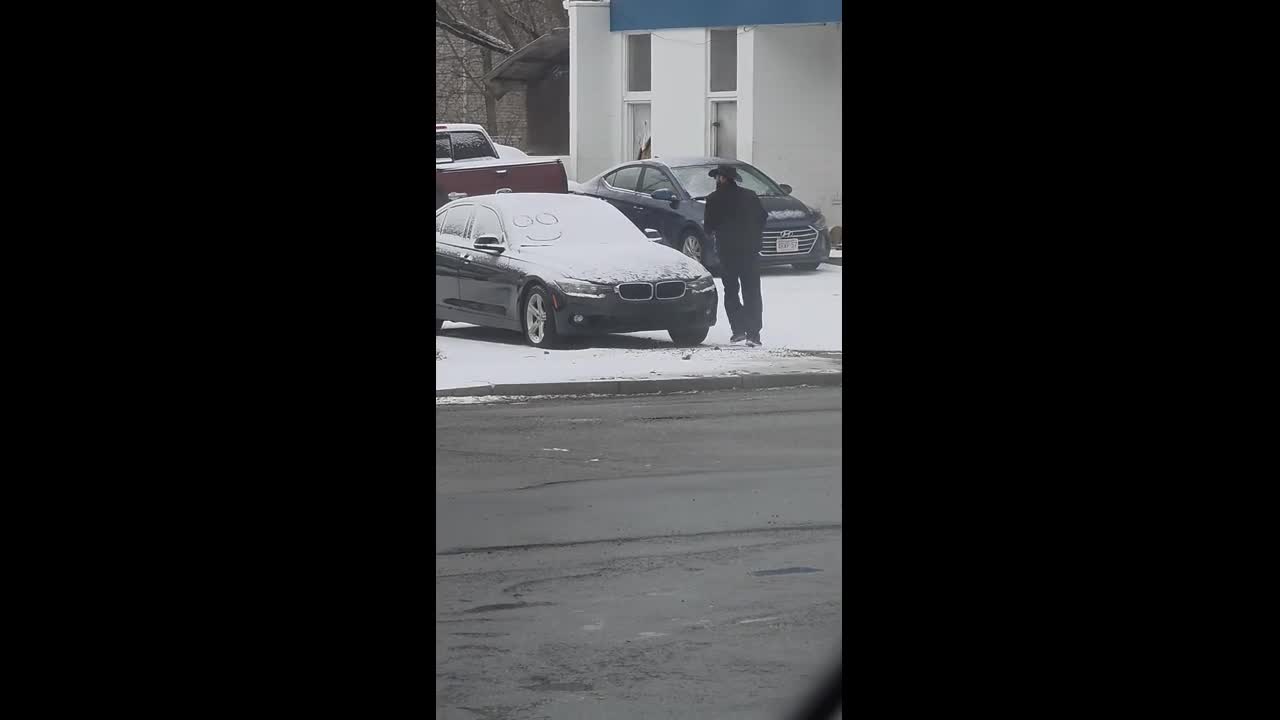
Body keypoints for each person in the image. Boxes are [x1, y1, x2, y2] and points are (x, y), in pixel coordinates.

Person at [703, 165, 767, 346]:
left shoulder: (713, 199)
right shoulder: (750, 196)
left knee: (731, 291)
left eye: (717, 177)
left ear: (722, 178)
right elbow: (763, 218)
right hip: (750, 251)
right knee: (752, 291)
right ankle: (754, 334)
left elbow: (708, 227)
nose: (716, 181)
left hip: (727, 252)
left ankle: (738, 330)